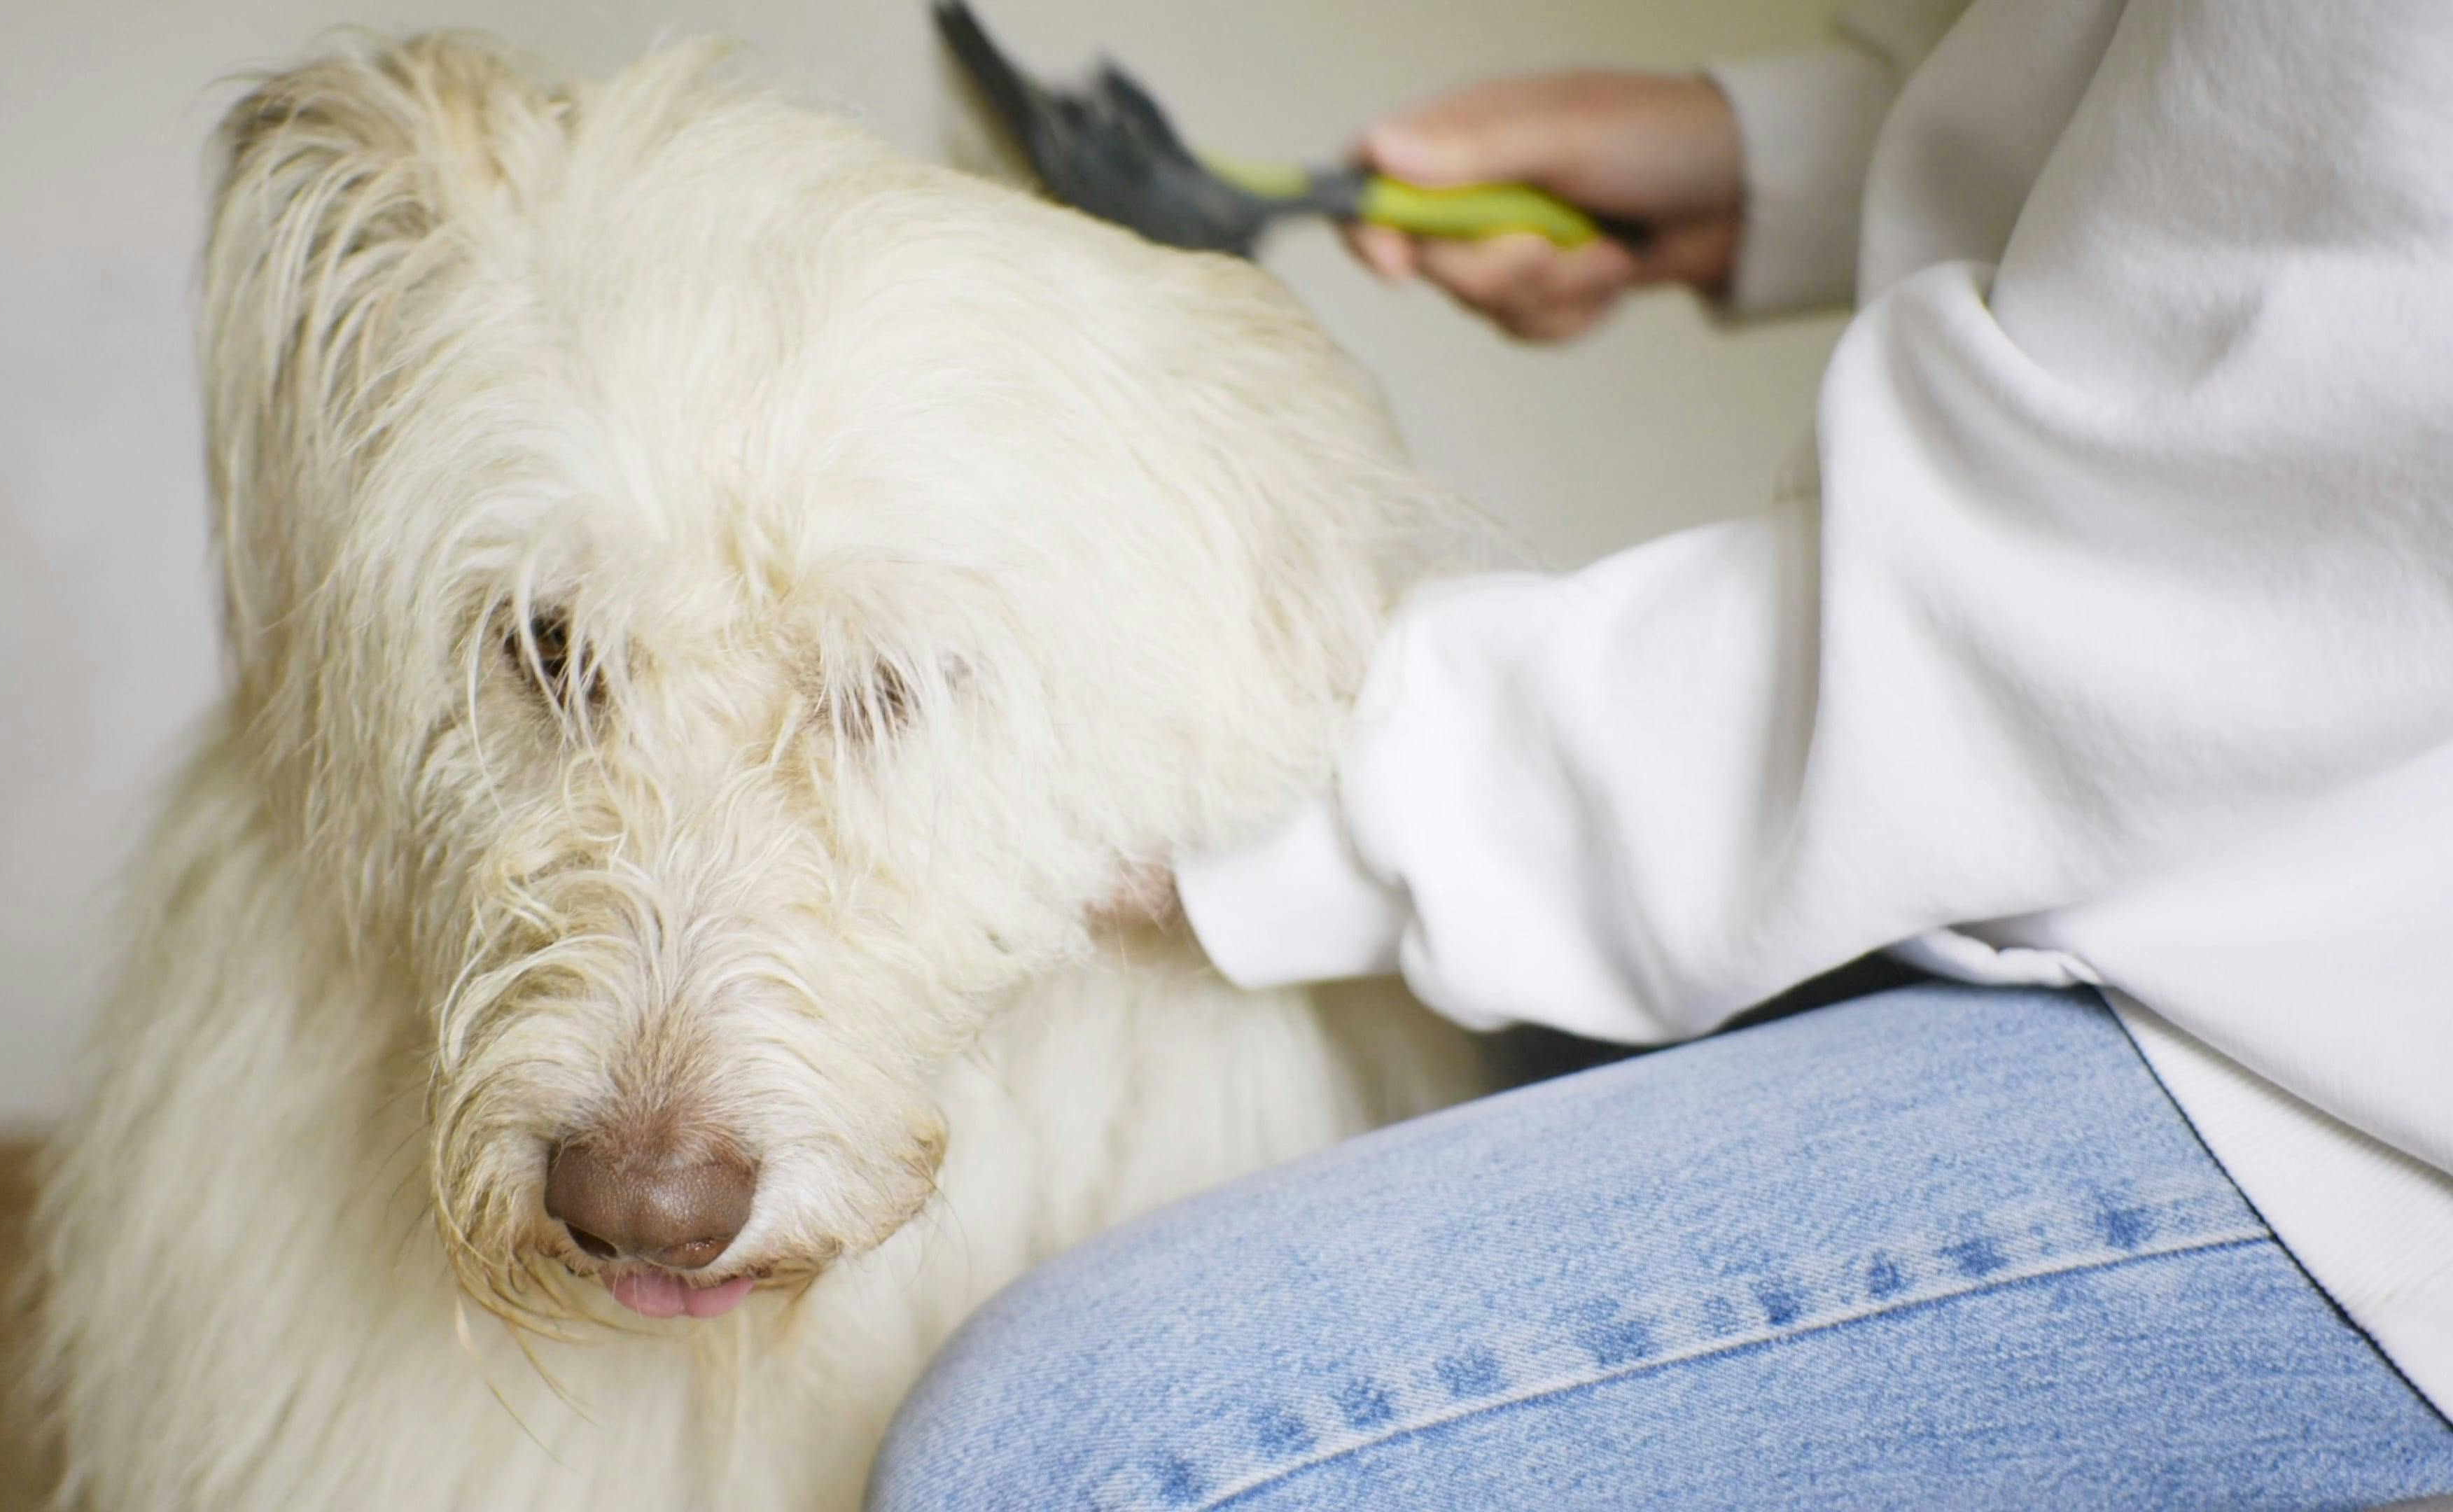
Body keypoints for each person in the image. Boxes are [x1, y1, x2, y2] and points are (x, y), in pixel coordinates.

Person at [869, 1, 2453, 1504]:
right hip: (2186, 865)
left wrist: (1253, 783)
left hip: (2350, 1070)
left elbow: (2141, 609)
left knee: (1083, 1462)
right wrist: (1811, 150)